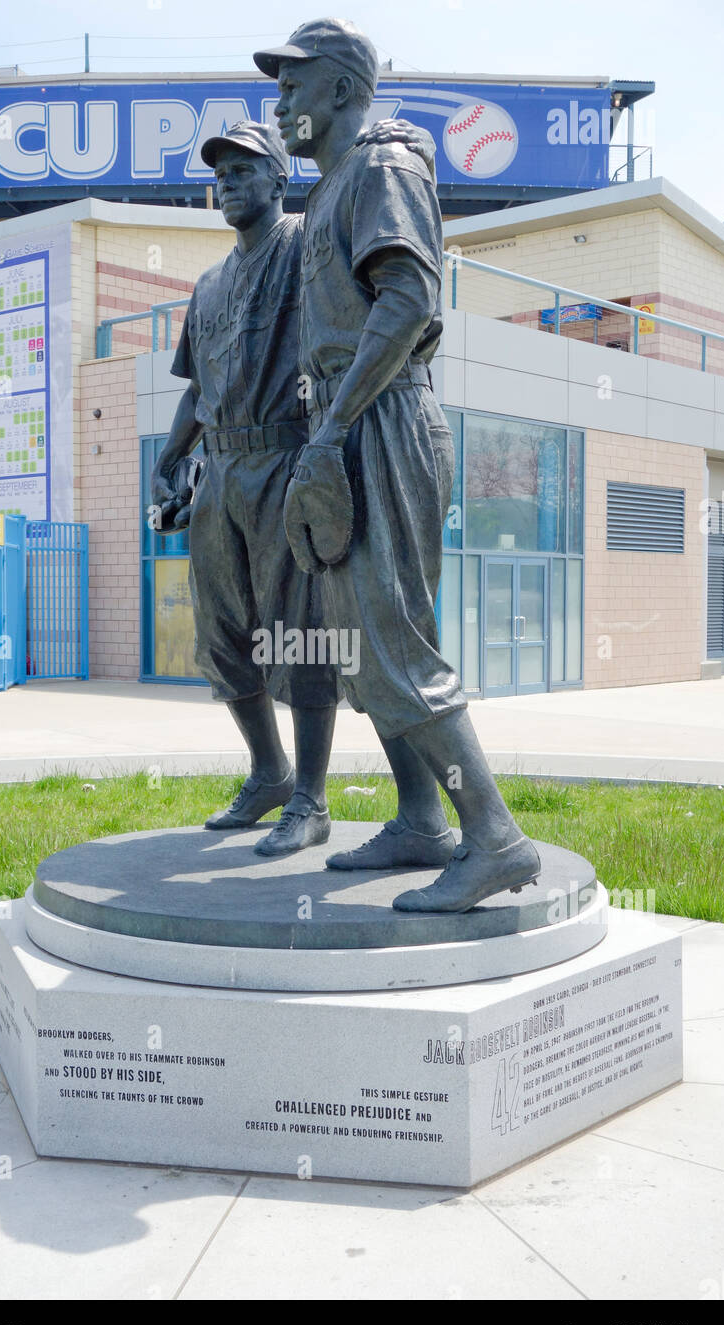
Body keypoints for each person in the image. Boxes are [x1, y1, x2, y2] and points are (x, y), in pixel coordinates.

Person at [253, 19, 542, 910]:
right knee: (356, 650)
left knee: (393, 645)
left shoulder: (379, 166)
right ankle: (422, 818)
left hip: (380, 418)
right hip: (349, 418)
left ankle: (494, 839)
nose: (281, 101)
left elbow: (410, 299)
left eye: (295, 84)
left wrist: (332, 434)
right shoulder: (336, 182)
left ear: (342, 89)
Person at [151, 117, 451, 862]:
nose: (228, 182)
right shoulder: (209, 281)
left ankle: (313, 801)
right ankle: (269, 775)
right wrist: (170, 459)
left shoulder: (305, 244)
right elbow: (195, 389)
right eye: (219, 172)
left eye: (244, 169)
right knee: (224, 638)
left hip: (291, 455)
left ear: (279, 178)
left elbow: (383, 302)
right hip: (221, 471)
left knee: (303, 632)